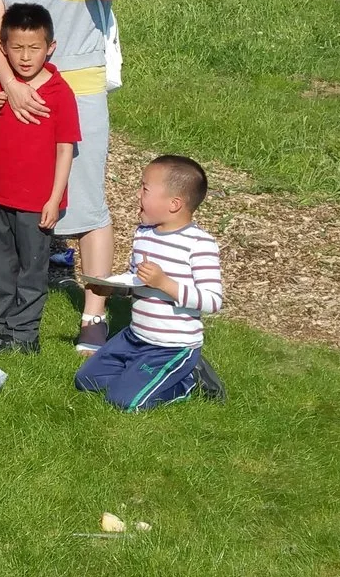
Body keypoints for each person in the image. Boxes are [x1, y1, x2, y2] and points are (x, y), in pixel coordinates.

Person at [0, 0, 124, 353]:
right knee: (19, 196)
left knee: (85, 201)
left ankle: (94, 314)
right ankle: (15, 303)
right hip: (18, 89)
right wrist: (11, 86)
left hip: (76, 90)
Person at [0, 3, 80, 354]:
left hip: (36, 201)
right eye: (17, 48)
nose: (25, 57)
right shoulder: (0, 86)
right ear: (3, 48)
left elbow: (65, 150)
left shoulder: (60, 94)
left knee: (31, 269)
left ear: (51, 48)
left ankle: (24, 334)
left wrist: (54, 199)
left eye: (34, 48)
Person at [74, 156, 226, 410]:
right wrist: (111, 287)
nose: (137, 194)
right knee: (86, 380)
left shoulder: (199, 244)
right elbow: (137, 280)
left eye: (144, 189)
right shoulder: (144, 233)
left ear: (174, 204)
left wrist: (165, 283)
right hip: (136, 337)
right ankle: (140, 374)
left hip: (171, 346)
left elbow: (212, 300)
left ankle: (188, 381)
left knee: (125, 402)